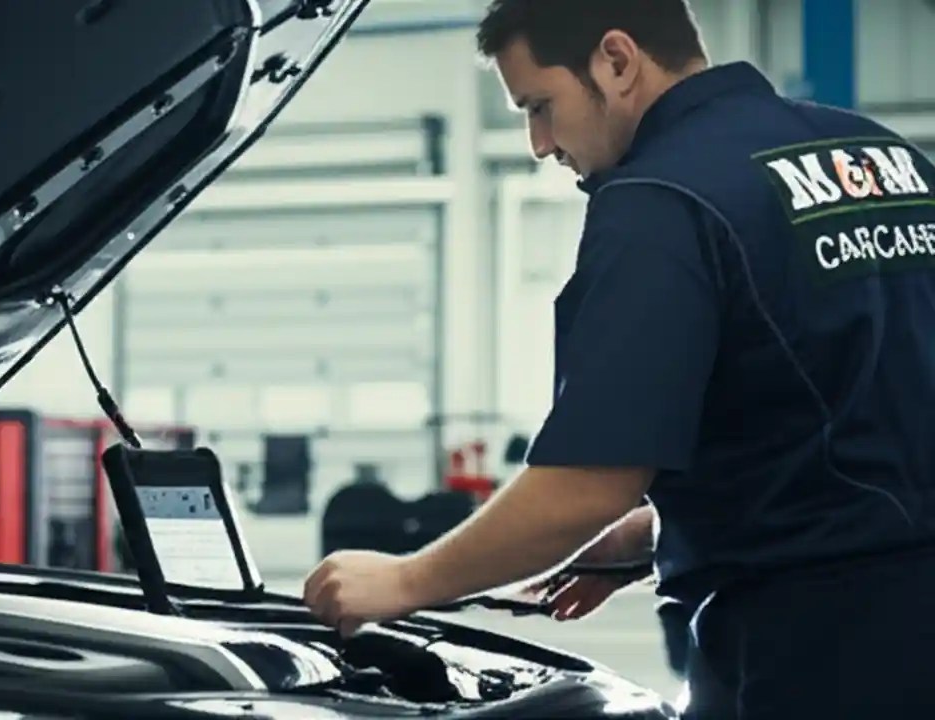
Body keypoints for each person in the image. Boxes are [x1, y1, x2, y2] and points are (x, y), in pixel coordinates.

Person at [301, 1, 935, 717]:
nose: (539, 142)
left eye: (541, 105)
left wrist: (405, 581)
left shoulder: (658, 199)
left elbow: (585, 487)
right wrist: (659, 534)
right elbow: (856, 434)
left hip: (812, 660)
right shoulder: (881, 154)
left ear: (617, 59)